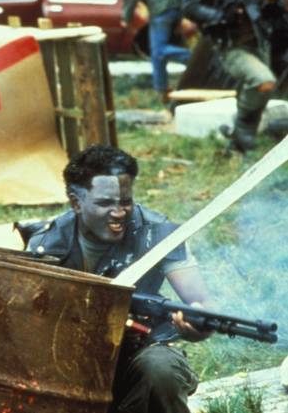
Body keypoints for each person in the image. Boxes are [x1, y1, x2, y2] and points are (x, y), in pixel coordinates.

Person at [16, 145, 214, 413]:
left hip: (140, 353)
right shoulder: (47, 244)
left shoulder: (158, 233)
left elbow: (201, 304)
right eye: (104, 203)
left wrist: (196, 326)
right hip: (69, 361)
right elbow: (28, 326)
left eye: (125, 202)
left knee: (161, 369)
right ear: (76, 202)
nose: (119, 212)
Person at [183, 0, 285, 153]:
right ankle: (243, 133)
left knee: (262, 92)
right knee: (263, 81)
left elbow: (271, 15)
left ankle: (239, 142)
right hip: (231, 45)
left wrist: (270, 0)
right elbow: (189, 7)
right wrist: (221, 16)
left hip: (259, 44)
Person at [121, 0, 191, 103]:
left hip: (160, 10)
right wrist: (185, 12)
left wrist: (126, 17)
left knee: (158, 51)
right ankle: (162, 90)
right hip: (176, 8)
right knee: (156, 54)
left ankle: (193, 58)